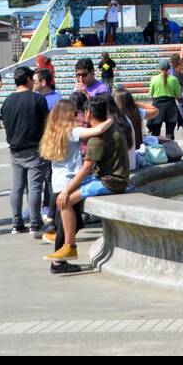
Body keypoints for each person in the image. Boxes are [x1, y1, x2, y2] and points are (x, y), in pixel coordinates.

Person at [45, 94, 131, 263]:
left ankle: (69, 246)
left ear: (89, 113)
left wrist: (66, 191)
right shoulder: (113, 128)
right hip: (115, 178)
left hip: (109, 181)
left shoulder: (96, 138)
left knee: (66, 201)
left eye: (82, 112)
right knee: (67, 204)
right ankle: (58, 236)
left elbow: (86, 168)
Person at [37, 98, 108, 268]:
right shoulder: (72, 132)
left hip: (58, 182)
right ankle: (59, 262)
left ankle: (60, 252)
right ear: (68, 115)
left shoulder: (52, 132)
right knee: (65, 226)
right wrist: (111, 118)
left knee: (73, 222)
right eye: (75, 112)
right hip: (70, 183)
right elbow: (98, 129)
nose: (77, 115)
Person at [1, 66, 51, 236]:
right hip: (34, 148)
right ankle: (35, 222)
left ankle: (16, 223)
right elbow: (46, 124)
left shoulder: (7, 101)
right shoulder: (37, 99)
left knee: (17, 188)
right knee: (35, 187)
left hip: (15, 150)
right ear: (29, 80)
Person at [148, 60, 182, 140]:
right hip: (171, 107)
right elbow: (179, 96)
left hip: (157, 106)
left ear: (159, 68)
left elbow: (151, 94)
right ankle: (170, 150)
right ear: (169, 68)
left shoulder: (154, 79)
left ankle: (156, 150)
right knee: (170, 134)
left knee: (155, 133)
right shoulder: (174, 80)